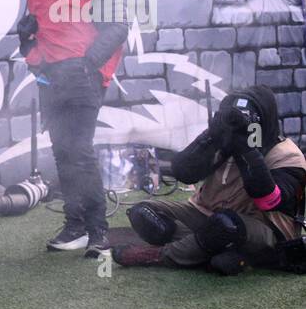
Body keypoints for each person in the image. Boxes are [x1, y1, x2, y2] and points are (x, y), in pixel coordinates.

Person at [17, 0, 128, 256]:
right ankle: (75, 225)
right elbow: (32, 36)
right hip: (50, 80)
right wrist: (31, 54)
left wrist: (88, 64)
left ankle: (98, 232)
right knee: (62, 152)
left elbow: (119, 25)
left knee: (79, 151)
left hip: (83, 78)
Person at [115, 88, 305, 273]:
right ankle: (219, 250)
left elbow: (269, 200)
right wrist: (210, 135)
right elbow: (183, 172)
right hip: (207, 213)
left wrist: (245, 148)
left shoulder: (287, 155)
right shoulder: (224, 141)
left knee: (225, 225)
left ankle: (160, 256)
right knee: (144, 213)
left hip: (263, 228)